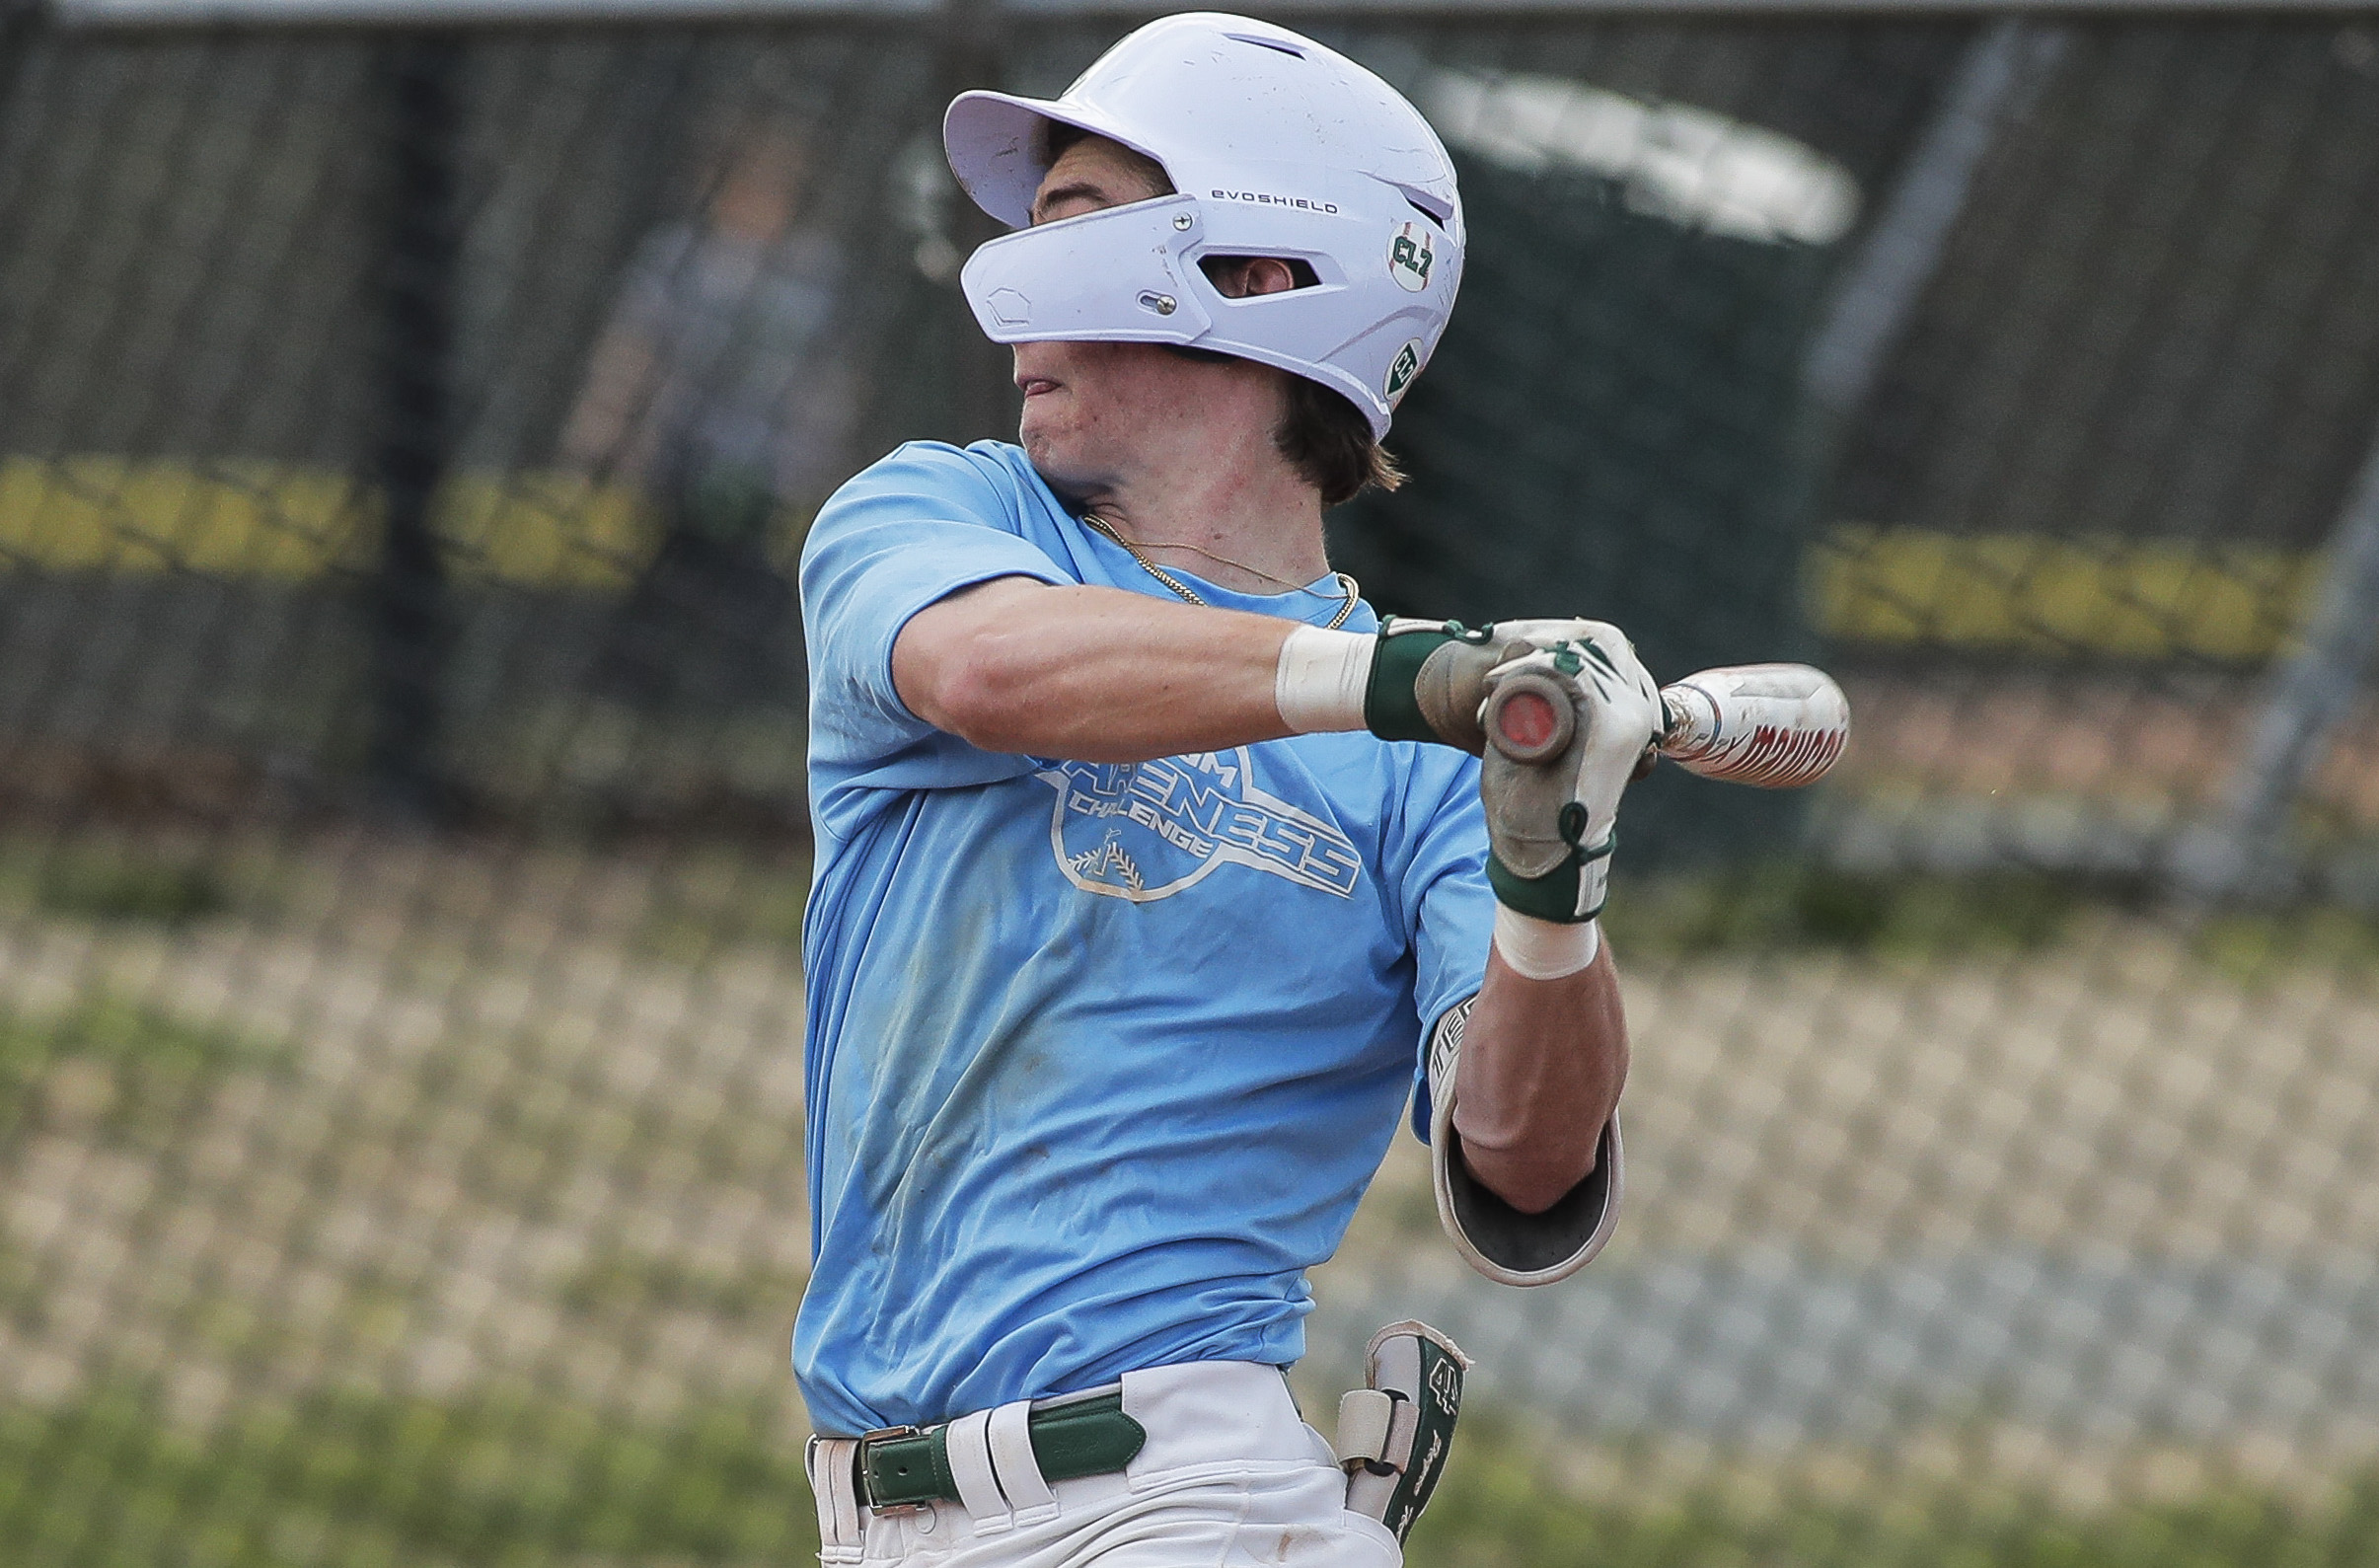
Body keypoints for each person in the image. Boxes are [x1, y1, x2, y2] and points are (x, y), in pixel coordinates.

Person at [792, 15, 1662, 1565]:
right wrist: (1397, 683)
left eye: (1076, 227)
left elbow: (1523, 1159)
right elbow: (992, 676)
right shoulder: (945, 515)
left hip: (1180, 1507)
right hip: (879, 1515)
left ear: (1266, 277)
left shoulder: (1441, 763)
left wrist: (1554, 885)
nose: (1015, 309)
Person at [563, 118, 860, 710]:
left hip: (763, 463)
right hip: (684, 453)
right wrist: (602, 430)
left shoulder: (807, 273)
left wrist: (819, 453)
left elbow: (825, 377)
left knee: (754, 584)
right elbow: (632, 352)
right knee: (675, 571)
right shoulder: (678, 261)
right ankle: (629, 696)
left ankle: (754, 703)